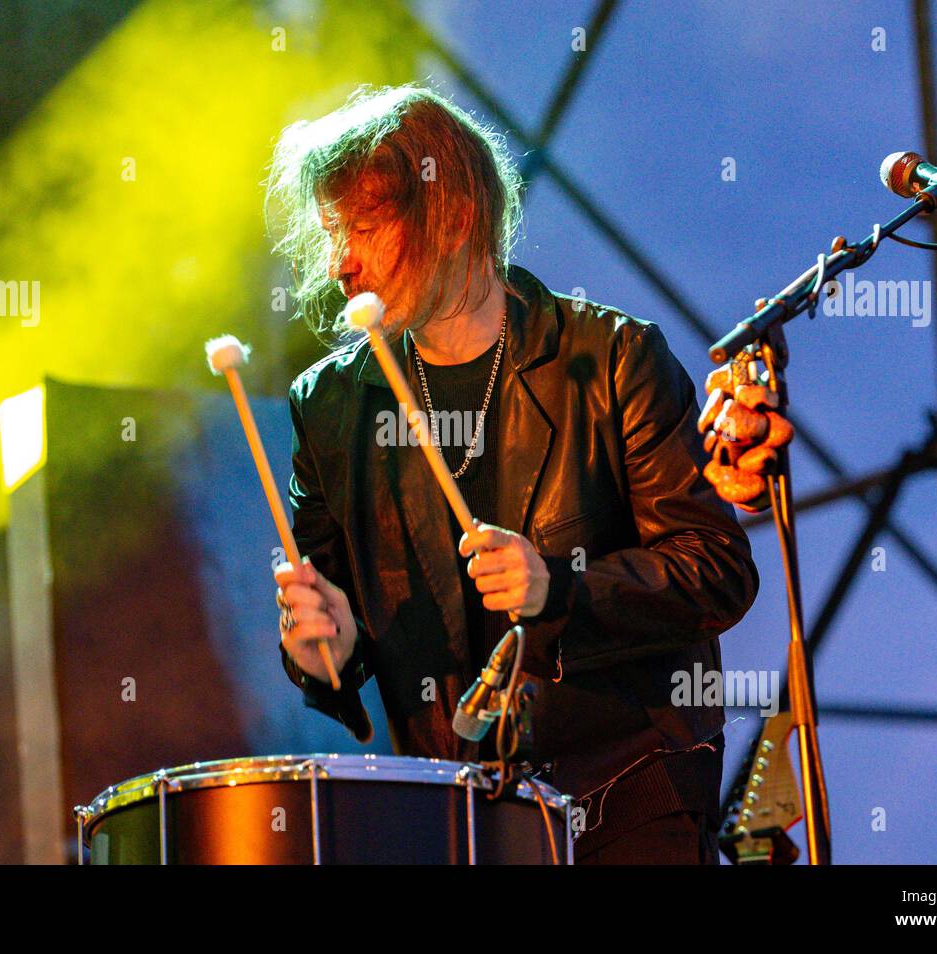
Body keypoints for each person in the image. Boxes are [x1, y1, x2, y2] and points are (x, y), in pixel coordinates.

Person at [267, 84, 759, 864]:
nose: (340, 262)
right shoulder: (328, 405)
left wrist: (558, 589)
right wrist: (320, 646)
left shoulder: (611, 359)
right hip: (454, 811)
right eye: (334, 232)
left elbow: (716, 572)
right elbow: (340, 645)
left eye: (364, 226)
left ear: (456, 216)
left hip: (626, 792)